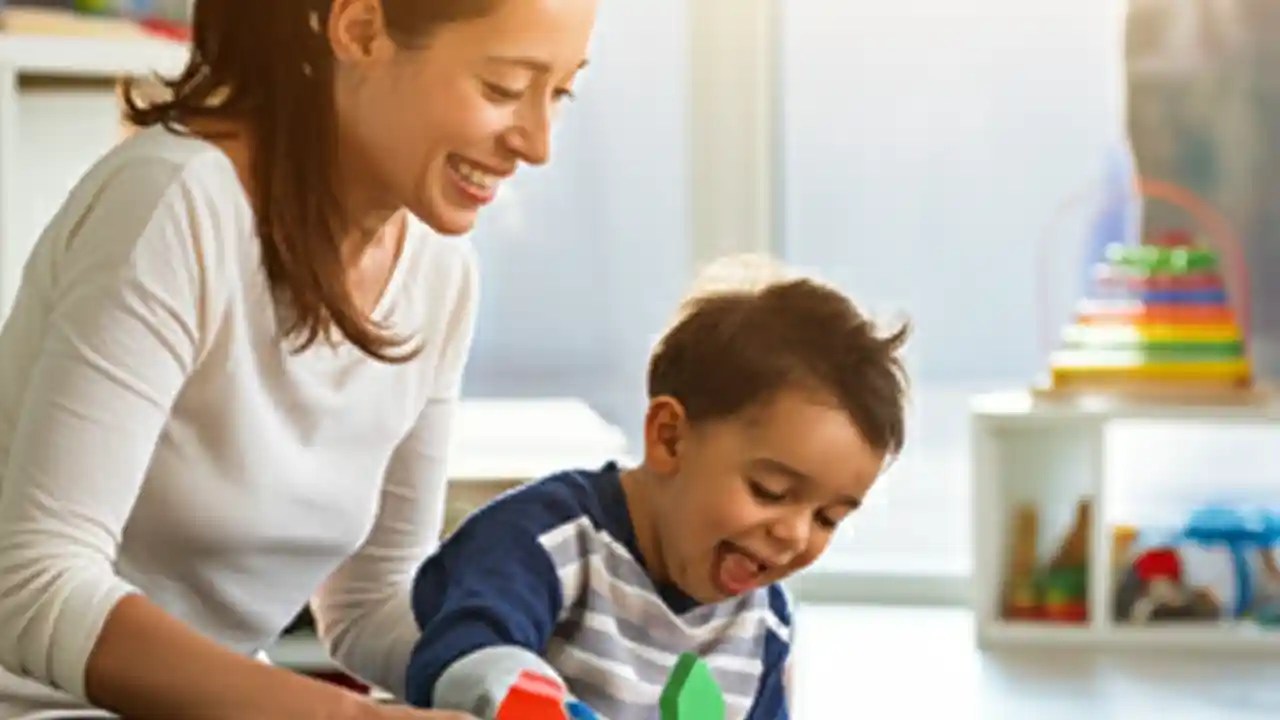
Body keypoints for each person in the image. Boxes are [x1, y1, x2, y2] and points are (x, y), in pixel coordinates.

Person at [0, 0, 597, 717]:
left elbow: (371, 601)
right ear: (361, 30)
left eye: (560, 94)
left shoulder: (441, 272)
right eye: (504, 88)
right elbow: (33, 586)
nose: (537, 144)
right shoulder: (174, 206)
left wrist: (504, 672)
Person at [403, 256, 911, 719]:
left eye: (828, 518)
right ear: (670, 438)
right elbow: (461, 655)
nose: (795, 534)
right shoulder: (549, 541)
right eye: (770, 490)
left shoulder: (763, 624)